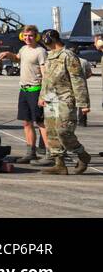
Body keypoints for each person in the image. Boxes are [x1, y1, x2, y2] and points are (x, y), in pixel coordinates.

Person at [38, 28, 92, 175]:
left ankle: (83, 155)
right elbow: (47, 78)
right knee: (52, 132)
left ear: (50, 39)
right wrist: (42, 96)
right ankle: (59, 164)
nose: (43, 43)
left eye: (44, 40)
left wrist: (83, 104)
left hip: (65, 99)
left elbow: (78, 80)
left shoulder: (68, 56)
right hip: (50, 100)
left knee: (64, 131)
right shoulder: (50, 56)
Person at [0, 25, 49, 164]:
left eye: (30, 35)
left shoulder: (41, 51)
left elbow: (46, 75)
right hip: (24, 90)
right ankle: (30, 152)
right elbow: (18, 58)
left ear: (36, 36)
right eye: (25, 36)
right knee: (26, 122)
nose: (27, 38)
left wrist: (43, 95)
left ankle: (50, 154)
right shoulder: (24, 49)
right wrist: (8, 54)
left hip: (36, 90)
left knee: (41, 123)